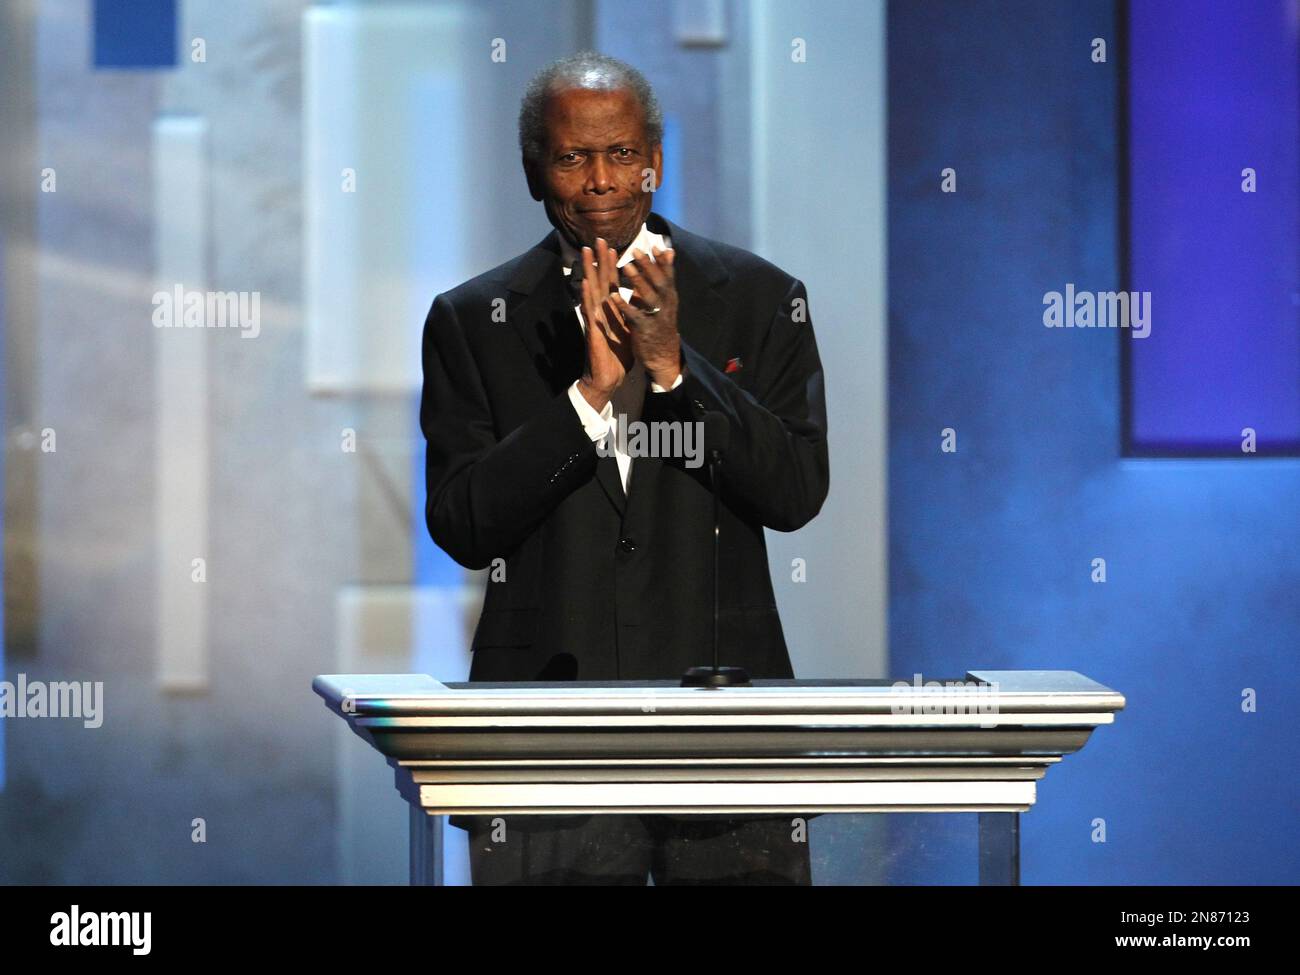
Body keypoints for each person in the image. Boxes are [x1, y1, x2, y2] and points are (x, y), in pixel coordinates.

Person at [419, 52, 829, 884]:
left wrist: (677, 367)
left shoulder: (759, 296)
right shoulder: (473, 319)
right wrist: (586, 400)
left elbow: (794, 491)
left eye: (621, 154)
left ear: (656, 161)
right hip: (546, 754)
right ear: (534, 171)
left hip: (725, 749)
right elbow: (463, 523)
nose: (601, 180)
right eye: (572, 158)